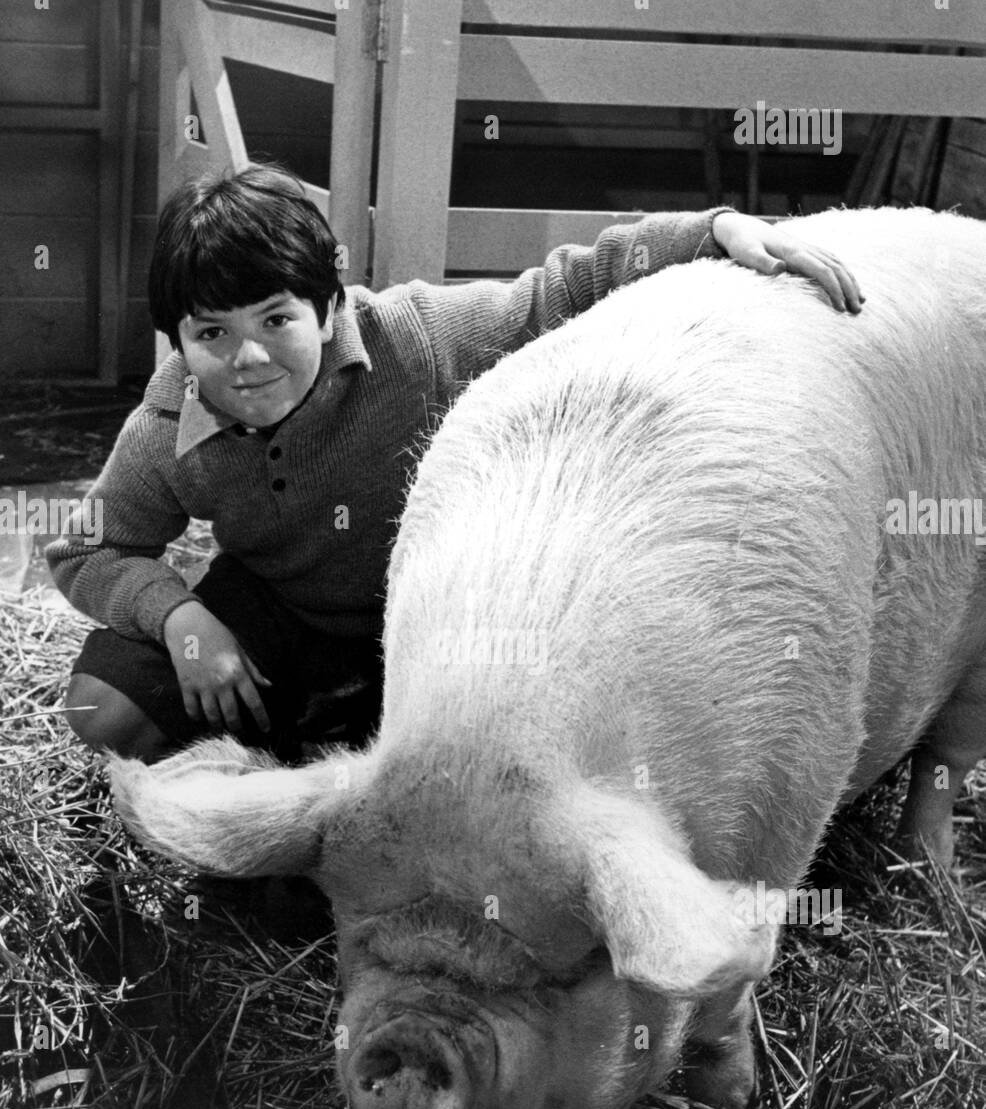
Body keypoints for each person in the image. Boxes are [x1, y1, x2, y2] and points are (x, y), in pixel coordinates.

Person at [48, 163, 863, 764]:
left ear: (329, 308)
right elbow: (89, 549)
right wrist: (182, 621)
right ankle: (270, 760)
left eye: (277, 319)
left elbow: (561, 291)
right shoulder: (168, 427)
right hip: (278, 615)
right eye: (211, 333)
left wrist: (712, 229)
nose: (248, 359)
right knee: (101, 709)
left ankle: (322, 772)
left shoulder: (418, 341)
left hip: (430, 628)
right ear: (179, 341)